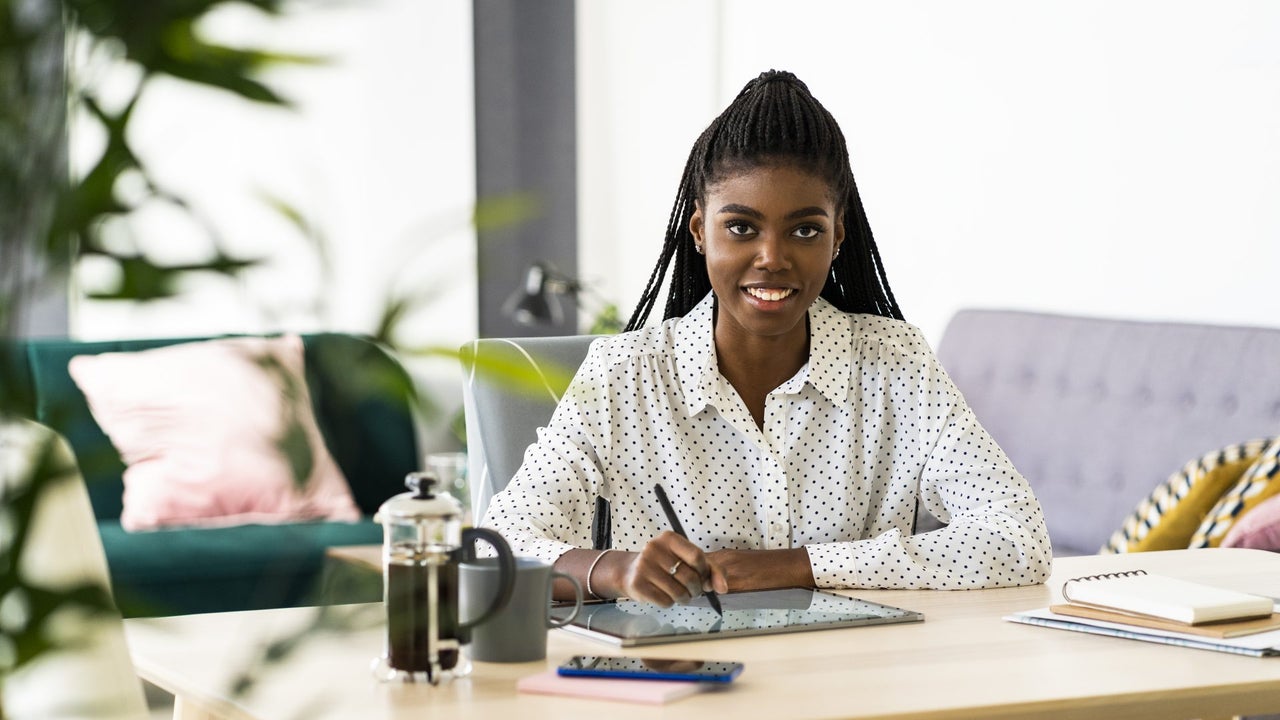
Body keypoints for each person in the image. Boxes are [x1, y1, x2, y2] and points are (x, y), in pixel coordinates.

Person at [483, 70, 1052, 606]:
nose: (773, 258)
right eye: (741, 228)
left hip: (855, 685)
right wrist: (613, 570)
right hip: (680, 689)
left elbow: (1018, 538)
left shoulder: (897, 363)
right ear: (701, 231)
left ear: (837, 236)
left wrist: (795, 565)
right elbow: (495, 548)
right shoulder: (622, 374)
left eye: (805, 229)